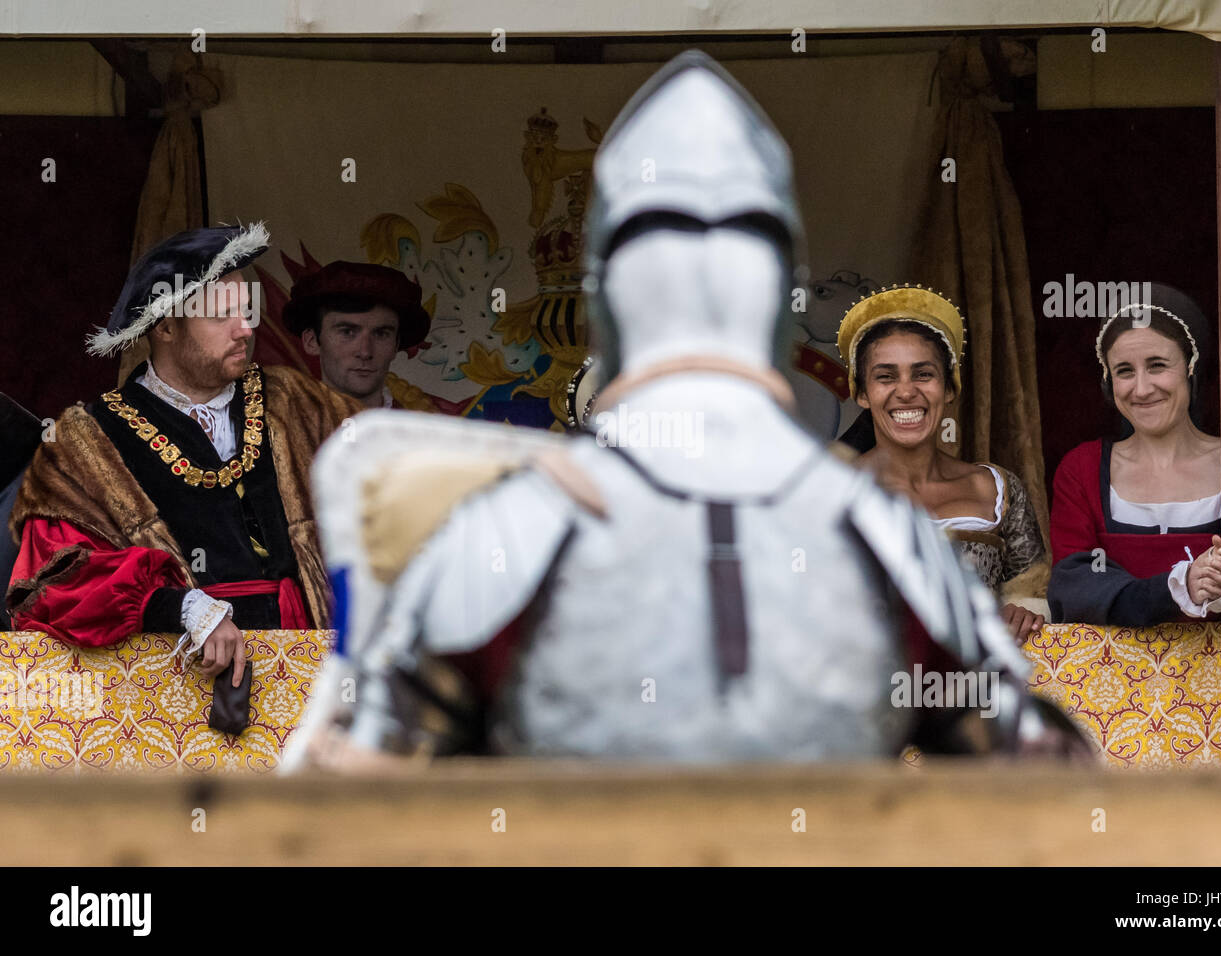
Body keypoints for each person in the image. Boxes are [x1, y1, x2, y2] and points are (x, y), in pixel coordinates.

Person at [287, 51, 1086, 770]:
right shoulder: (882, 536)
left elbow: (354, 804)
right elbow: (1041, 776)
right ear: (777, 284)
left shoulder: (509, 532)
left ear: (607, 293)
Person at [6, 224, 358, 708]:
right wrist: (182, 607)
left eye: (246, 309)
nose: (246, 328)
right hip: (170, 695)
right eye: (223, 316)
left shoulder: (301, 403)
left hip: (310, 677)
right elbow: (51, 583)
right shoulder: (84, 442)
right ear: (165, 326)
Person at [1048, 284, 1221, 626]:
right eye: (1124, 371)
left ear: (1191, 367)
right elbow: (1072, 587)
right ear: (1109, 380)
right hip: (1113, 677)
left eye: (1157, 365)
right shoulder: (1082, 470)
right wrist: (1176, 589)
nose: (1141, 388)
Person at [837, 284, 1050, 642]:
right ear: (861, 393)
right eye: (885, 376)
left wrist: (1023, 613)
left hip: (976, 692)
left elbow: (1033, 596)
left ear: (949, 388)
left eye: (923, 374)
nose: (906, 391)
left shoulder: (996, 488)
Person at [283, 260, 431, 409]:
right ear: (312, 341)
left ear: (396, 345)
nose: (365, 352)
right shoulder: (277, 428)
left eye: (381, 334)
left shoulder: (421, 431)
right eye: (347, 332)